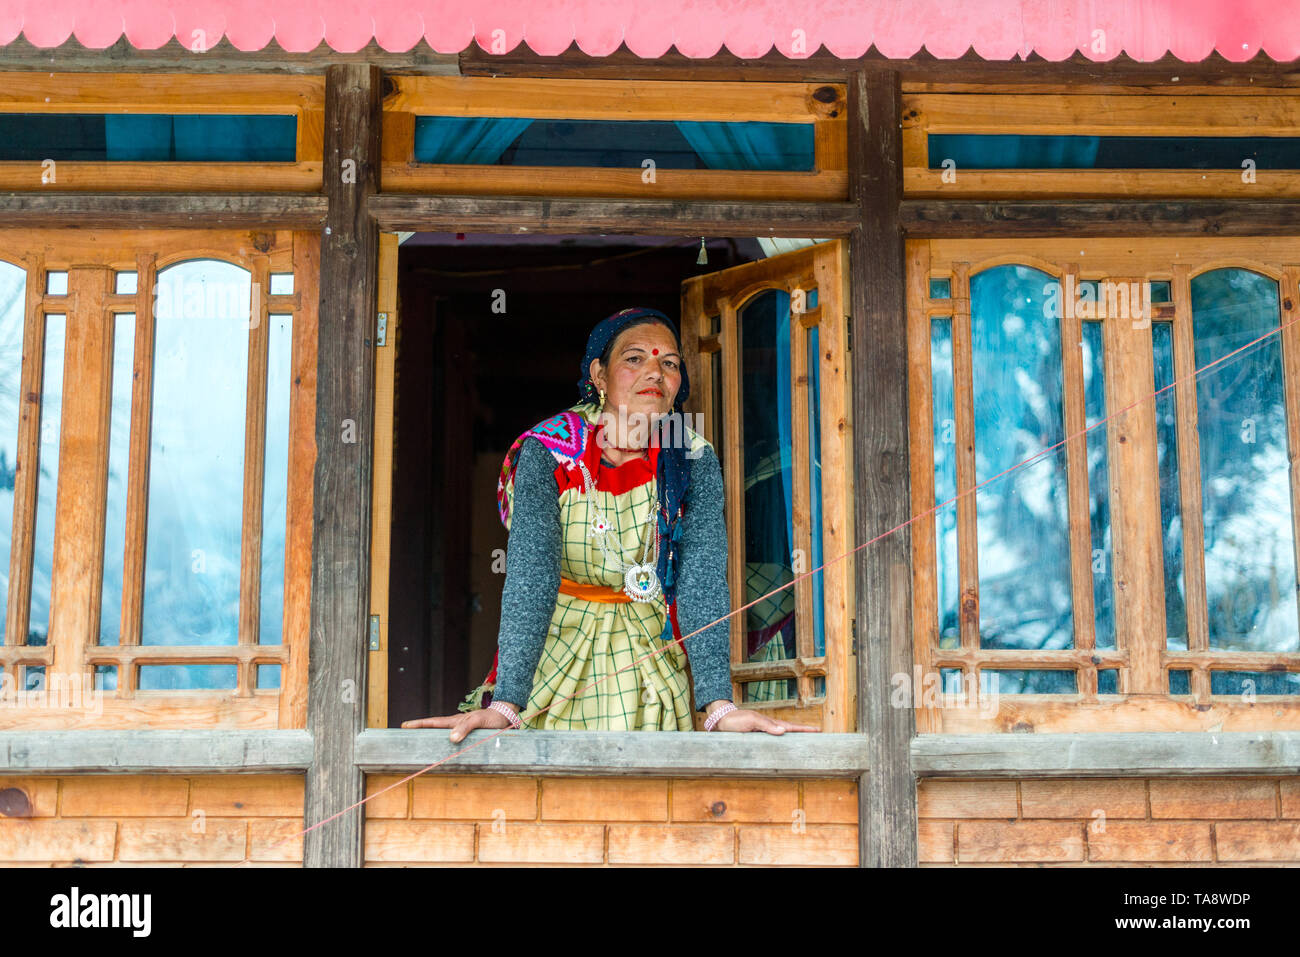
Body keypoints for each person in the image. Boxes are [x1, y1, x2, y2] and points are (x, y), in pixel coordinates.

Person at [401, 307, 819, 742]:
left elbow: (702, 577)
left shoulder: (692, 457)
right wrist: (507, 702)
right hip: (558, 655)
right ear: (599, 374)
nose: (654, 372)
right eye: (635, 358)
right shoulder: (550, 451)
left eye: (669, 363)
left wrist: (719, 705)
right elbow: (532, 574)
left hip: (651, 656)